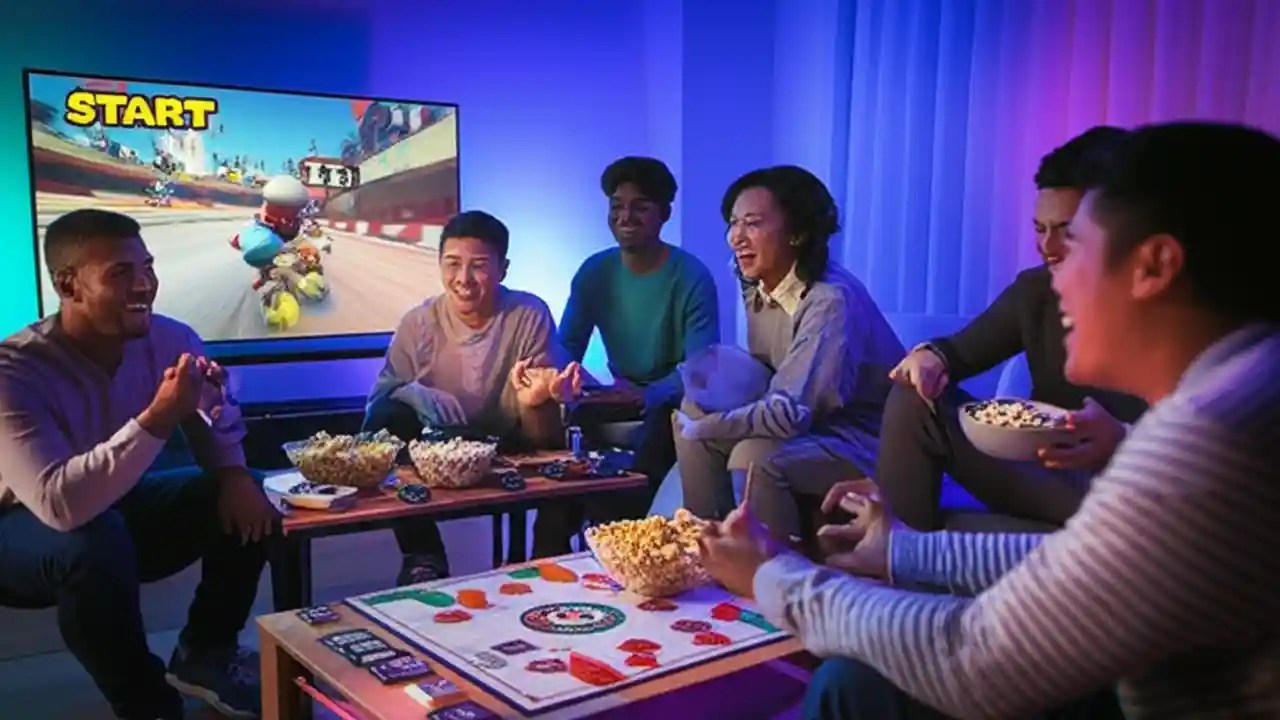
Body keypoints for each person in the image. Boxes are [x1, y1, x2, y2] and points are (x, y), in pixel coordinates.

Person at [699, 122, 1280, 719]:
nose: (1052, 271)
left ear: (1154, 265)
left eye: (1074, 245)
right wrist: (900, 551)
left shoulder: (1213, 439)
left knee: (853, 683)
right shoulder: (1242, 385)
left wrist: (775, 576)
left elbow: (971, 656)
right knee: (853, 683)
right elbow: (1067, 564)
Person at [0, 210, 278, 720]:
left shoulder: (172, 338)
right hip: (19, 527)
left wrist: (234, 472)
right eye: (120, 274)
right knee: (92, 539)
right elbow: (60, 506)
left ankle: (205, 654)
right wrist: (157, 417)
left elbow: (212, 424)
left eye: (147, 268)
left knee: (250, 494)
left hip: (111, 506)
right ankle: (146, 703)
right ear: (68, 285)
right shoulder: (14, 370)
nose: (144, 285)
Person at [879, 126, 1148, 532]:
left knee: (945, 534)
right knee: (914, 397)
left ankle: (904, 547)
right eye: (1040, 230)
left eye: (1069, 231)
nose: (1048, 247)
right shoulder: (1037, 290)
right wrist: (930, 357)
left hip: (1130, 494)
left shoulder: (1172, 310)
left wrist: (1122, 439)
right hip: (1045, 474)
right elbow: (960, 350)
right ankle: (897, 547)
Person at [675, 165, 905, 543]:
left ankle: (777, 580)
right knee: (691, 408)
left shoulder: (829, 301)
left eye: (752, 223)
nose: (737, 237)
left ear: (798, 233)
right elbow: (770, 374)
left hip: (863, 439)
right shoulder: (756, 281)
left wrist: (712, 426)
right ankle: (703, 548)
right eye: (734, 223)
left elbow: (789, 412)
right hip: (812, 423)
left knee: (753, 457)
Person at [362, 210, 581, 585]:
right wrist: (413, 392)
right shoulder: (418, 322)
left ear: (503, 268)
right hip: (438, 447)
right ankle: (423, 554)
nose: (463, 279)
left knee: (548, 415)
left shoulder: (528, 314)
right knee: (386, 419)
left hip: (508, 438)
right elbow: (376, 406)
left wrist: (539, 396)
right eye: (452, 264)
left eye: (478, 266)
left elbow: (547, 416)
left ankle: (546, 553)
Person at [533, 157, 720, 556]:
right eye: (617, 205)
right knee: (552, 429)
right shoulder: (594, 271)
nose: (625, 216)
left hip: (669, 402)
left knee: (657, 426)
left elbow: (700, 369)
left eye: (640, 206)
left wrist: (644, 395)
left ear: (664, 214)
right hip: (616, 397)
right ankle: (543, 555)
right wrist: (573, 382)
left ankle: (627, 546)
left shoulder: (692, 277)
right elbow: (567, 345)